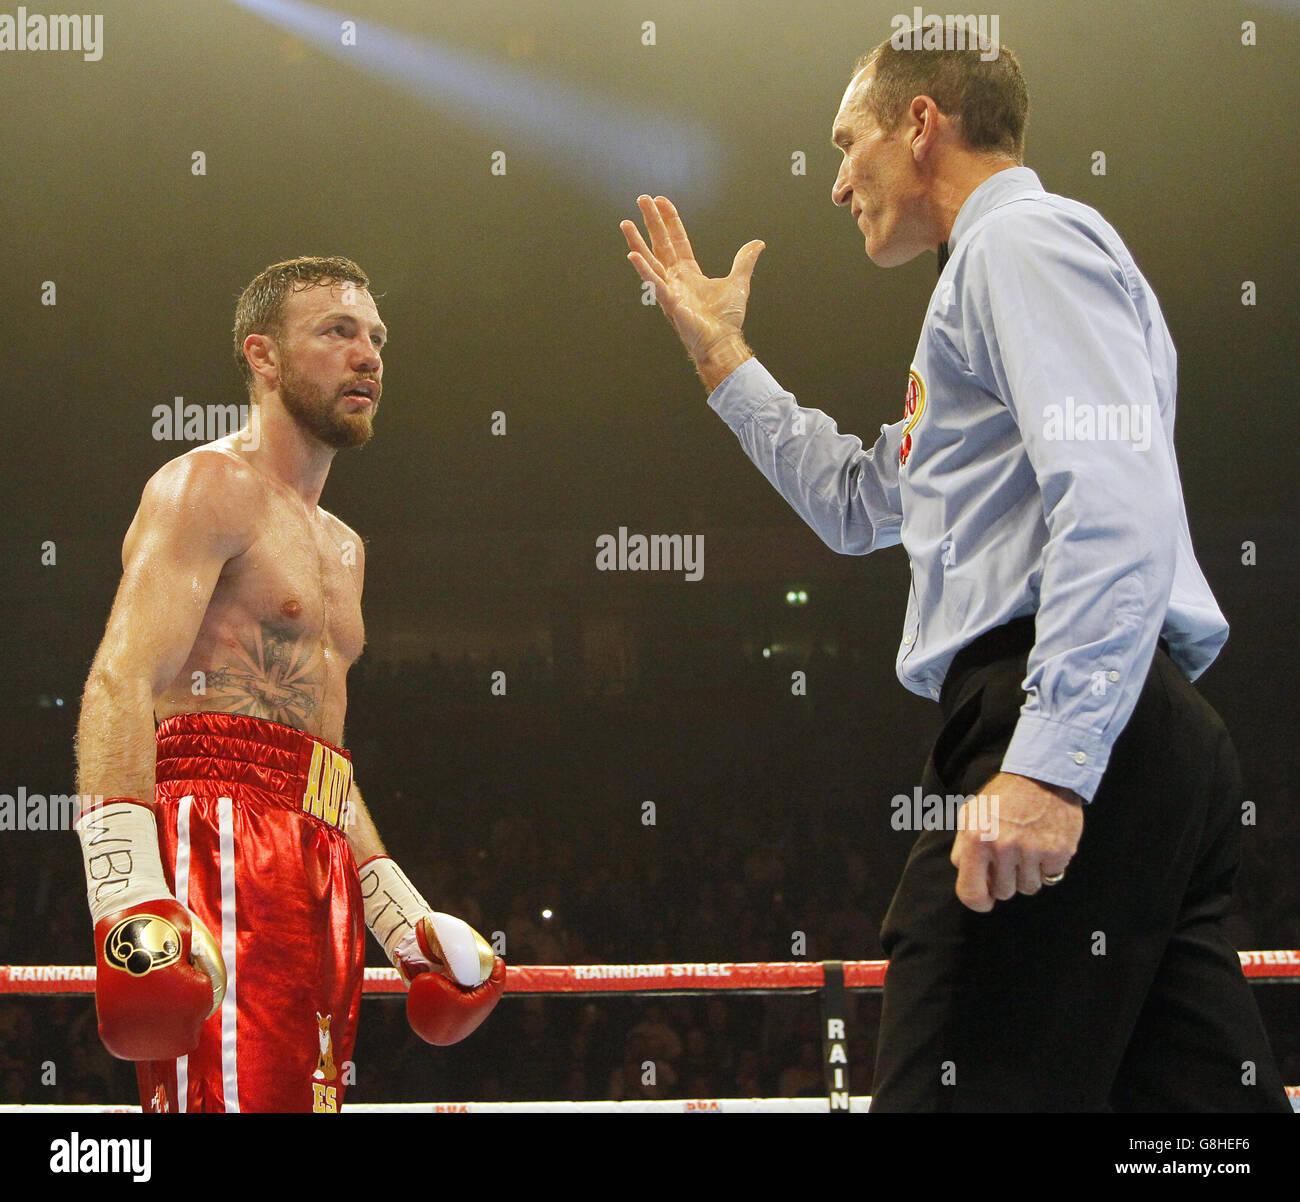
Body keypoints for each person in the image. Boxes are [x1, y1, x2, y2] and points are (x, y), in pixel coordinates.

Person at [620, 28, 1289, 1111]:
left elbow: (1114, 504)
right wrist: (720, 359)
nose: (834, 181)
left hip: (1060, 710)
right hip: (1131, 732)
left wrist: (1051, 760)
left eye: (848, 143)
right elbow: (856, 502)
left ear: (921, 121)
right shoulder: (982, 284)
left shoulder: (1021, 246)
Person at [73, 256, 505, 1113]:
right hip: (219, 833)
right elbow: (120, 680)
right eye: (338, 332)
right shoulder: (206, 486)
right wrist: (125, 899)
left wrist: (399, 918)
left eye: (377, 337)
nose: (369, 354)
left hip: (320, 855)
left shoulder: (345, 548)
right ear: (263, 357)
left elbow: (320, 760)